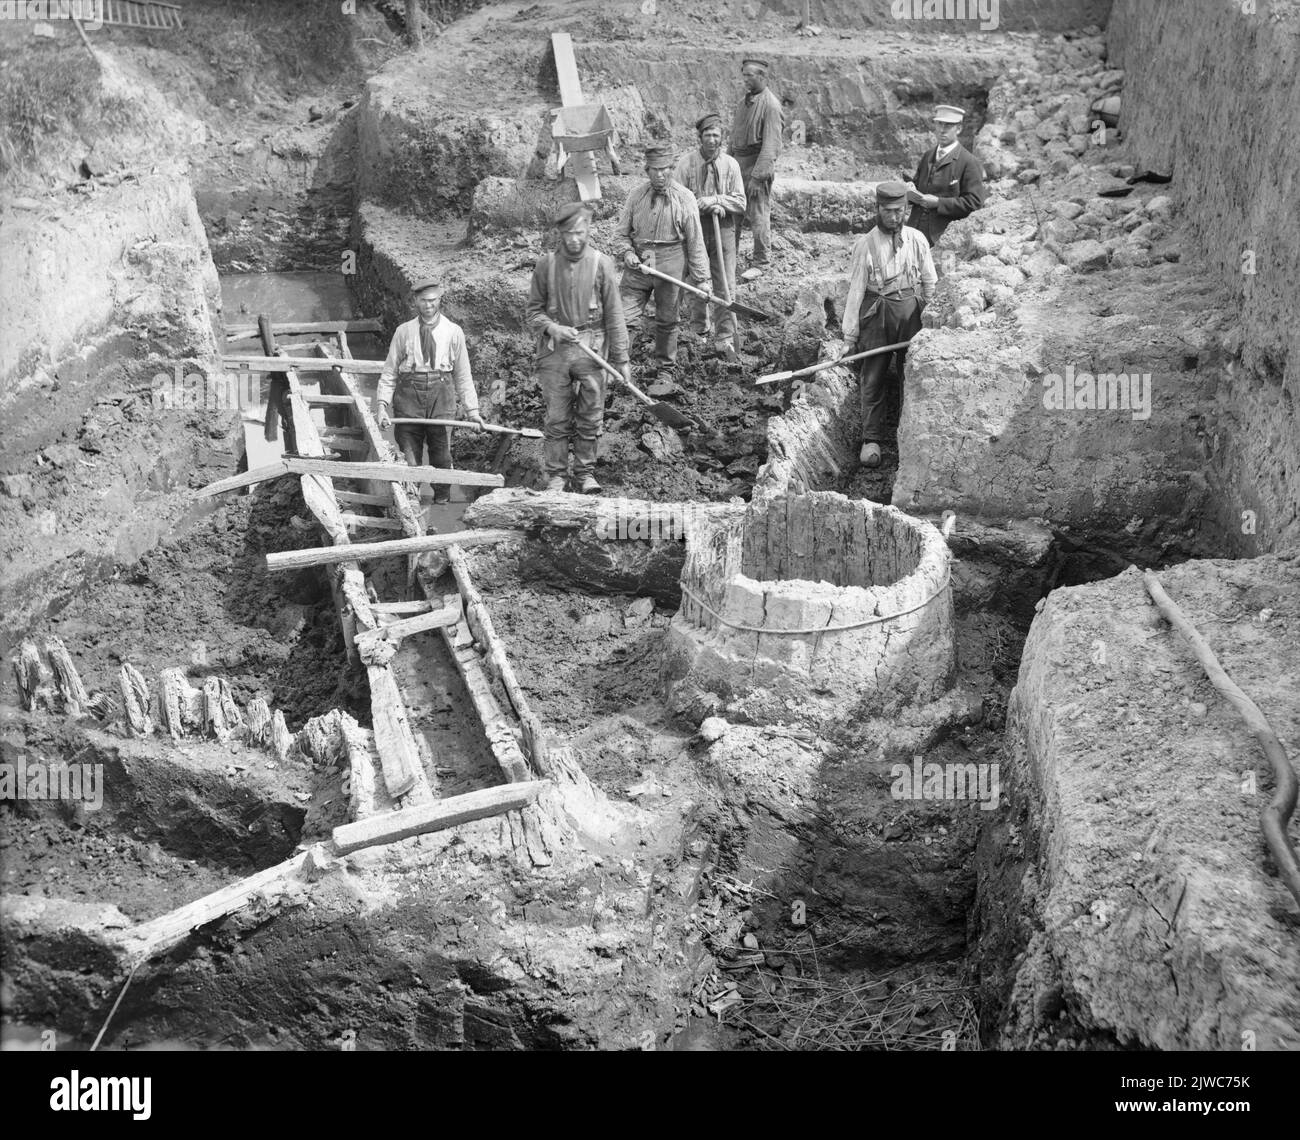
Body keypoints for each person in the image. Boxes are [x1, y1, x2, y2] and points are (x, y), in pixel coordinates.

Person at [525, 201, 630, 494]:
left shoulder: (602, 264)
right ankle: (557, 476)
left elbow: (615, 313)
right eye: (568, 233)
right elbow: (533, 312)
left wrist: (621, 358)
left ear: (588, 230)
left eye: (580, 232)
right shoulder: (545, 265)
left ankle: (585, 475)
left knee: (591, 415)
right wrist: (554, 328)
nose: (574, 239)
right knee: (557, 416)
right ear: (559, 233)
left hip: (593, 349)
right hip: (554, 352)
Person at [841, 182, 937, 469]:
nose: (893, 217)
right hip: (878, 314)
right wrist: (850, 336)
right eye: (887, 211)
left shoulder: (917, 239)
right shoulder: (866, 245)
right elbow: (856, 291)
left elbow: (930, 282)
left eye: (899, 211)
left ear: (906, 210)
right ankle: (872, 438)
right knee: (873, 376)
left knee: (913, 375)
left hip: (911, 314)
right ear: (878, 210)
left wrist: (933, 320)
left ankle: (910, 434)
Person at [375, 278, 484, 503]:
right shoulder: (403, 332)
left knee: (441, 454)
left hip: (441, 395)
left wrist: (472, 411)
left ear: (440, 301)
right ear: (415, 301)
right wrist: (382, 407)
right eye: (423, 301)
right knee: (410, 456)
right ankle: (411, 500)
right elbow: (389, 373)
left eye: (433, 301)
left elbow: (463, 375)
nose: (428, 306)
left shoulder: (454, 332)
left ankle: (442, 498)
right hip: (408, 396)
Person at [615, 144, 710, 380]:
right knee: (624, 316)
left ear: (672, 169)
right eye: (655, 170)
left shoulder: (685, 198)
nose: (660, 175)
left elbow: (696, 243)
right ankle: (618, 366)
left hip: (671, 261)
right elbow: (620, 234)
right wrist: (627, 253)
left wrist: (702, 280)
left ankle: (665, 369)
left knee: (667, 319)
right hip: (639, 262)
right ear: (647, 170)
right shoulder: (636, 196)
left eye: (665, 169)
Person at [674, 112, 746, 363]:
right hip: (694, 230)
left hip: (723, 229)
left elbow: (740, 201)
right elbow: (676, 200)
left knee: (725, 282)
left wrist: (717, 201)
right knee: (697, 281)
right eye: (707, 135)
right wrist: (698, 205)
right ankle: (699, 331)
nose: (712, 140)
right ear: (699, 137)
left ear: (722, 138)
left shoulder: (731, 165)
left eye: (716, 135)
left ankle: (725, 336)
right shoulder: (685, 164)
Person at [729, 57, 783, 274]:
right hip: (737, 166)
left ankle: (761, 262)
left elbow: (771, 146)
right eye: (743, 75)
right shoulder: (743, 103)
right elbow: (733, 138)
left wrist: (757, 177)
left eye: (749, 75)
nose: (745, 80)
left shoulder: (771, 105)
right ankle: (728, 257)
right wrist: (725, 166)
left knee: (758, 215)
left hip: (756, 166)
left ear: (762, 77)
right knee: (732, 214)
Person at [905, 104, 986, 248]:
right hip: (913, 232)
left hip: (943, 238)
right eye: (939, 124)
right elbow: (919, 185)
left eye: (948, 126)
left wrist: (938, 203)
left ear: (959, 129)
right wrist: (911, 188)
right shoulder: (928, 155)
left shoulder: (968, 162)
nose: (942, 130)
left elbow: (974, 203)